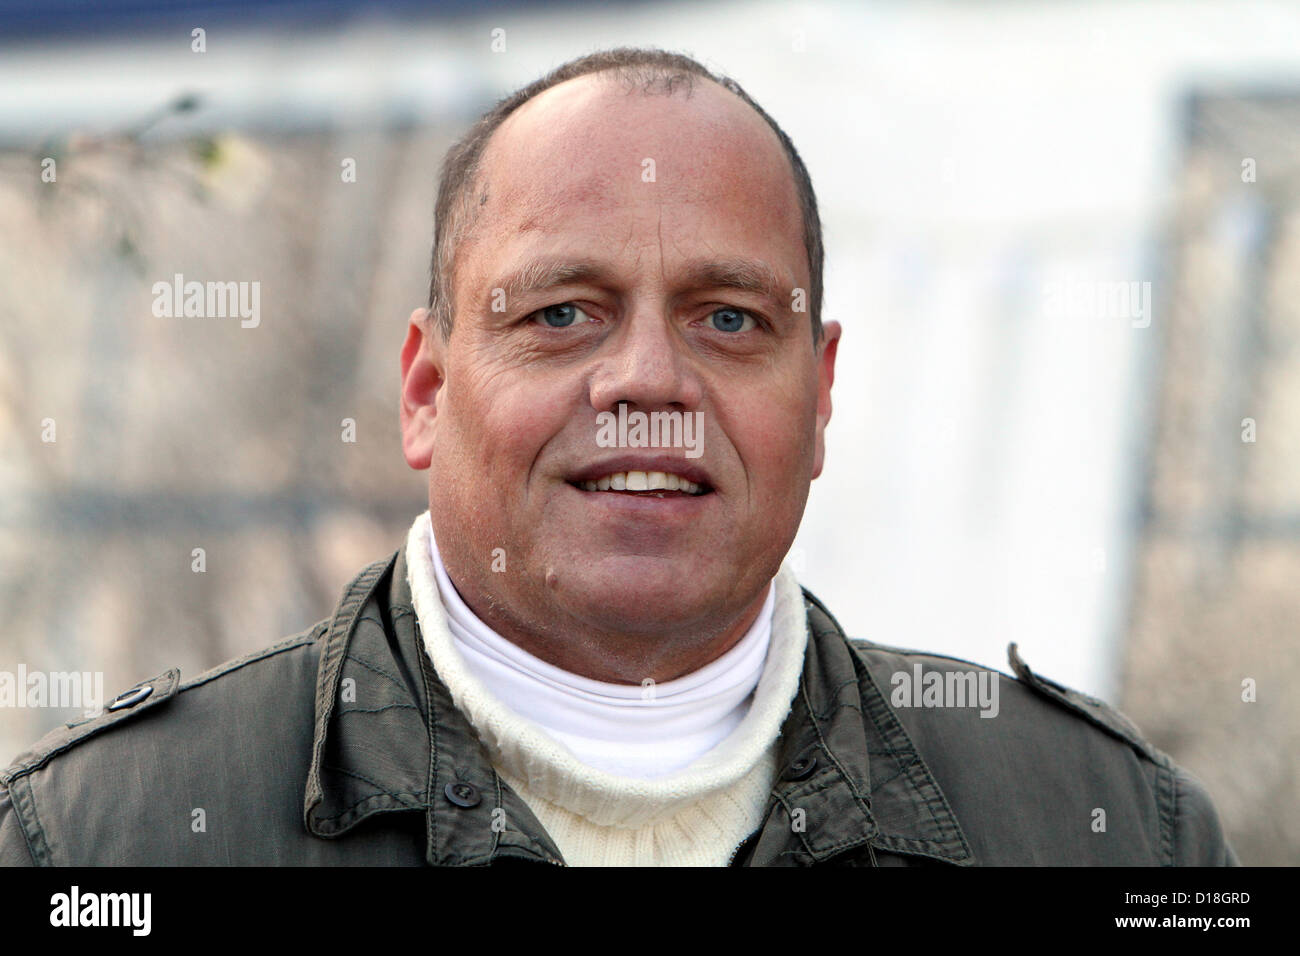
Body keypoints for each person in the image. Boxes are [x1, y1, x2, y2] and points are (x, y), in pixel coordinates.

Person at [0, 48, 1236, 866]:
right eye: (560, 312)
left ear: (818, 398)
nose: (648, 379)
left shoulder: (1112, 834)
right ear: (427, 390)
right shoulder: (110, 843)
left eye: (730, 318)